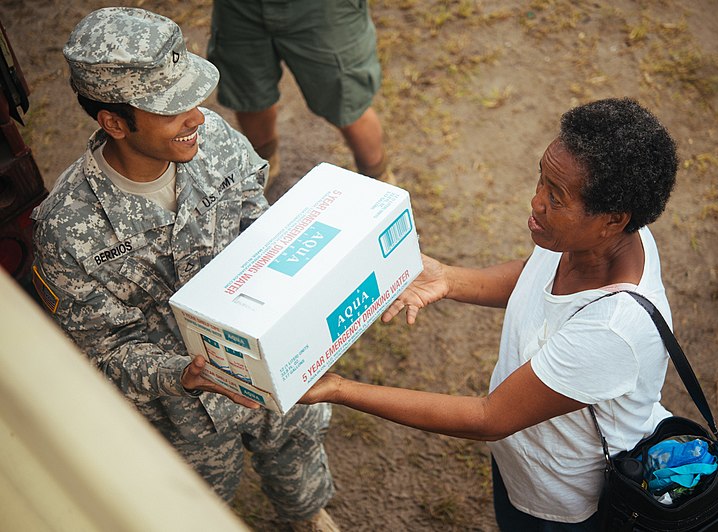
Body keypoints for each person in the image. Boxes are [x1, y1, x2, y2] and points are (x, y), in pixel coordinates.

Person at [301, 98, 679, 529]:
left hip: (561, 500)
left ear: (613, 220)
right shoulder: (602, 240)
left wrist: (340, 389)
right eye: (541, 179)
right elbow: (537, 277)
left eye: (555, 198)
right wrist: (449, 279)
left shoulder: (612, 331)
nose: (536, 202)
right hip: (523, 460)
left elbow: (489, 418)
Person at [31, 8, 338, 531]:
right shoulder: (66, 230)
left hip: (272, 357)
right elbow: (102, 353)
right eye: (172, 109)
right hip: (182, 414)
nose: (197, 117)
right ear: (114, 122)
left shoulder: (212, 138)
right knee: (192, 507)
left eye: (192, 97)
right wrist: (181, 374)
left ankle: (306, 514)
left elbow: (256, 216)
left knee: (297, 448)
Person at [206, 0, 388, 188]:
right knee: (249, 97)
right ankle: (264, 168)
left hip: (321, 9)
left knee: (348, 103)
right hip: (240, 8)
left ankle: (379, 182)